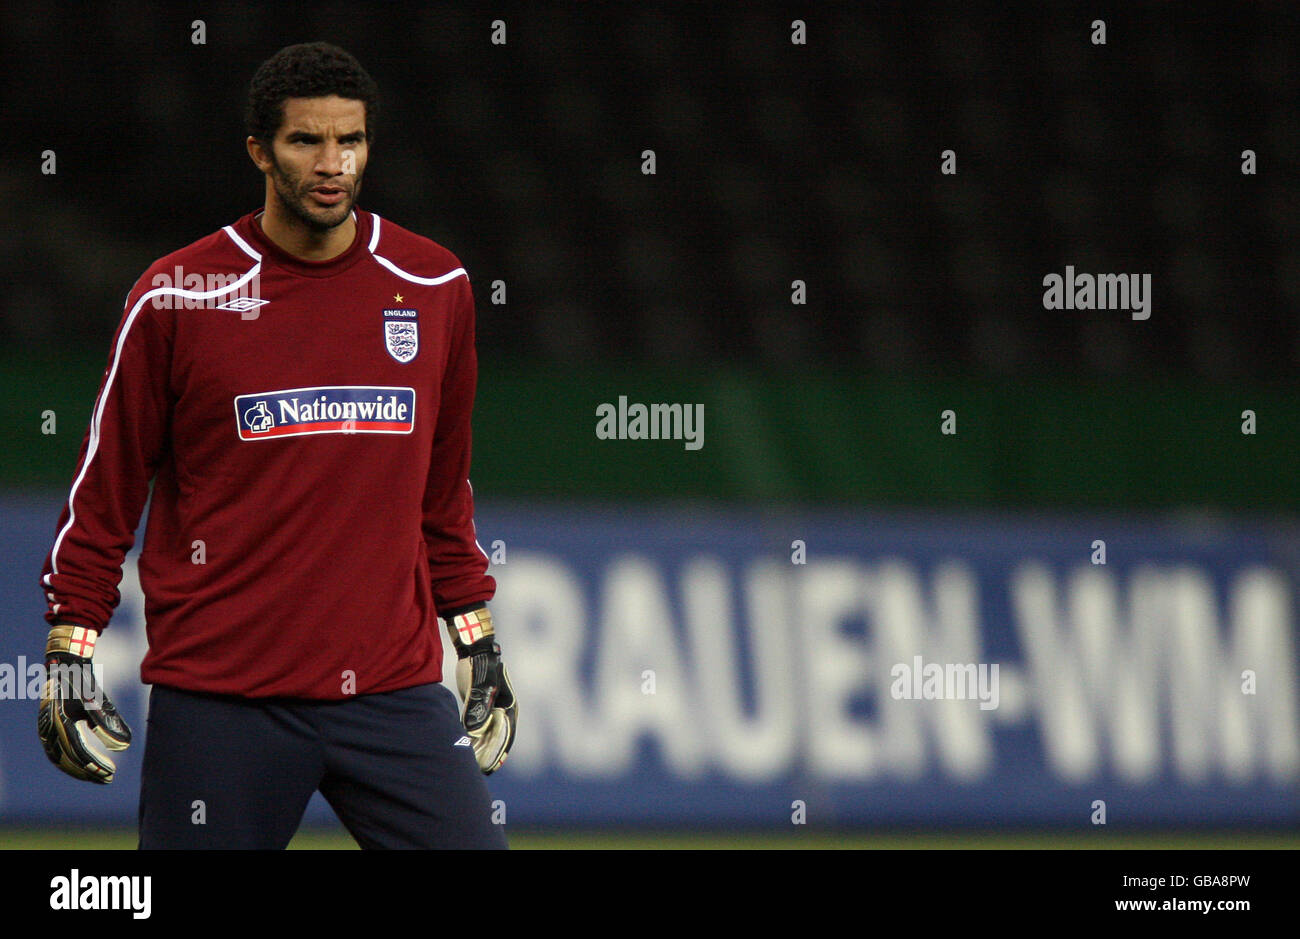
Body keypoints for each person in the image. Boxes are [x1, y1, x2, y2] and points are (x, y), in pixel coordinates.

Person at [36, 41, 516, 849]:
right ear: (260, 150)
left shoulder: (437, 287)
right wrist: (69, 644)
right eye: (306, 141)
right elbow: (105, 487)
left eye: (350, 140)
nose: (332, 163)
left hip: (393, 694)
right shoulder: (178, 295)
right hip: (224, 697)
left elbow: (442, 488)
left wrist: (477, 638)